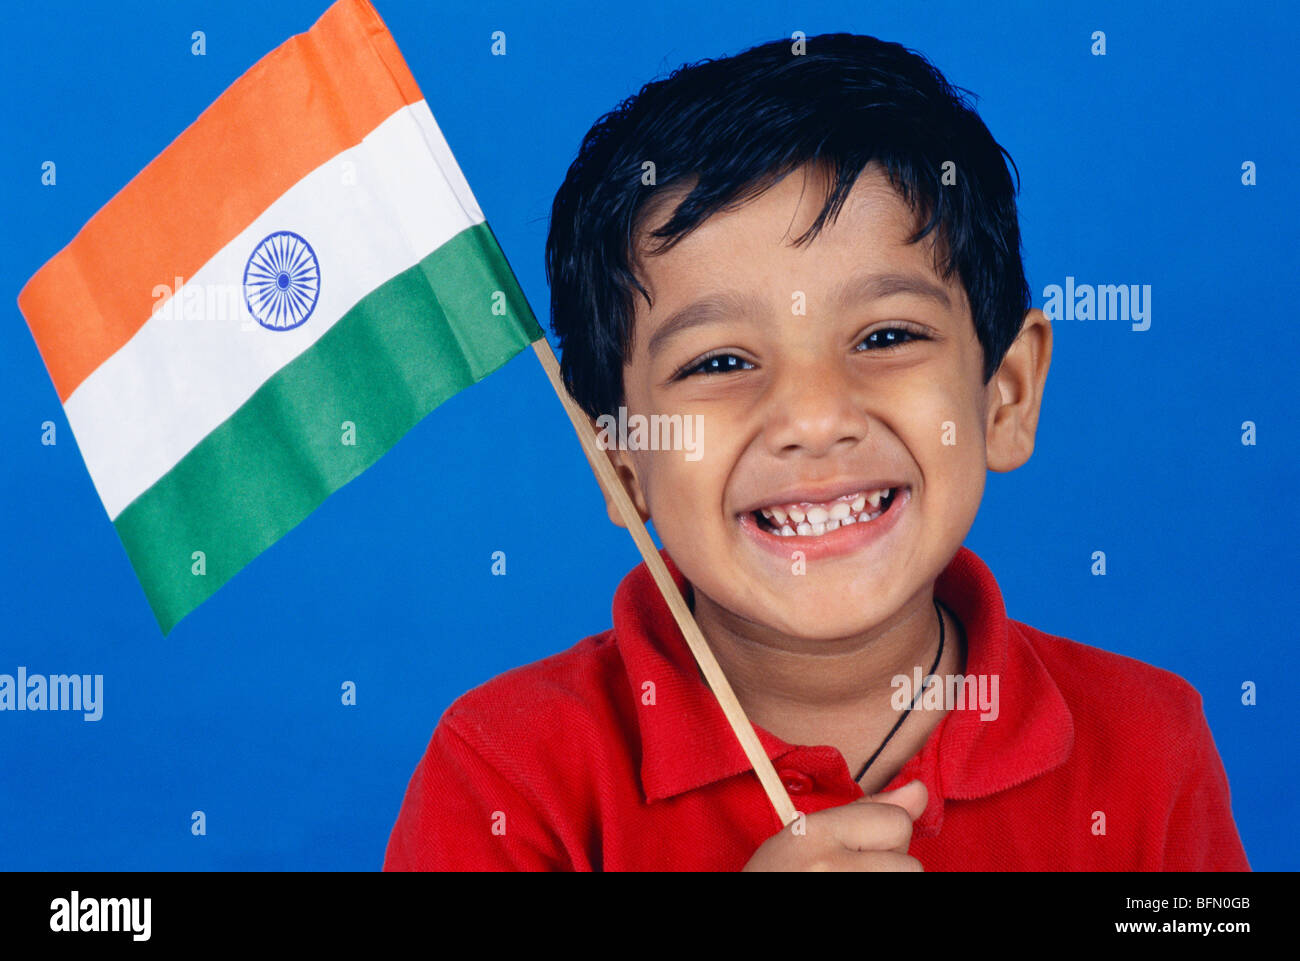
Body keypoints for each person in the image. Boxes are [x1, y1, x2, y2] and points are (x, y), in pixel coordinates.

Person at [384, 33, 1249, 871]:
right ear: (618, 461)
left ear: (1006, 395)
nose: (814, 416)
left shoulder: (1148, 743)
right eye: (720, 361)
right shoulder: (506, 771)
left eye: (885, 335)